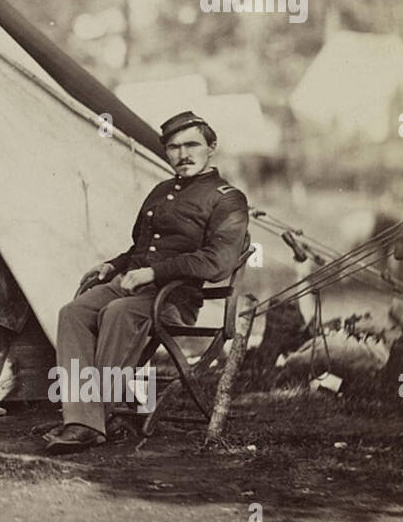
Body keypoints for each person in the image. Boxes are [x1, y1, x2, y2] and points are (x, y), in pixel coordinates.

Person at [43, 111, 250, 454]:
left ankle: (90, 422)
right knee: (74, 312)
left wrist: (155, 274)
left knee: (118, 312)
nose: (183, 154)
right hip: (131, 285)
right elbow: (139, 248)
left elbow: (217, 262)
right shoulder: (161, 190)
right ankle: (82, 419)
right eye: (173, 147)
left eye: (192, 145)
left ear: (211, 147)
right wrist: (112, 266)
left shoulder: (227, 198)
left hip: (174, 298)